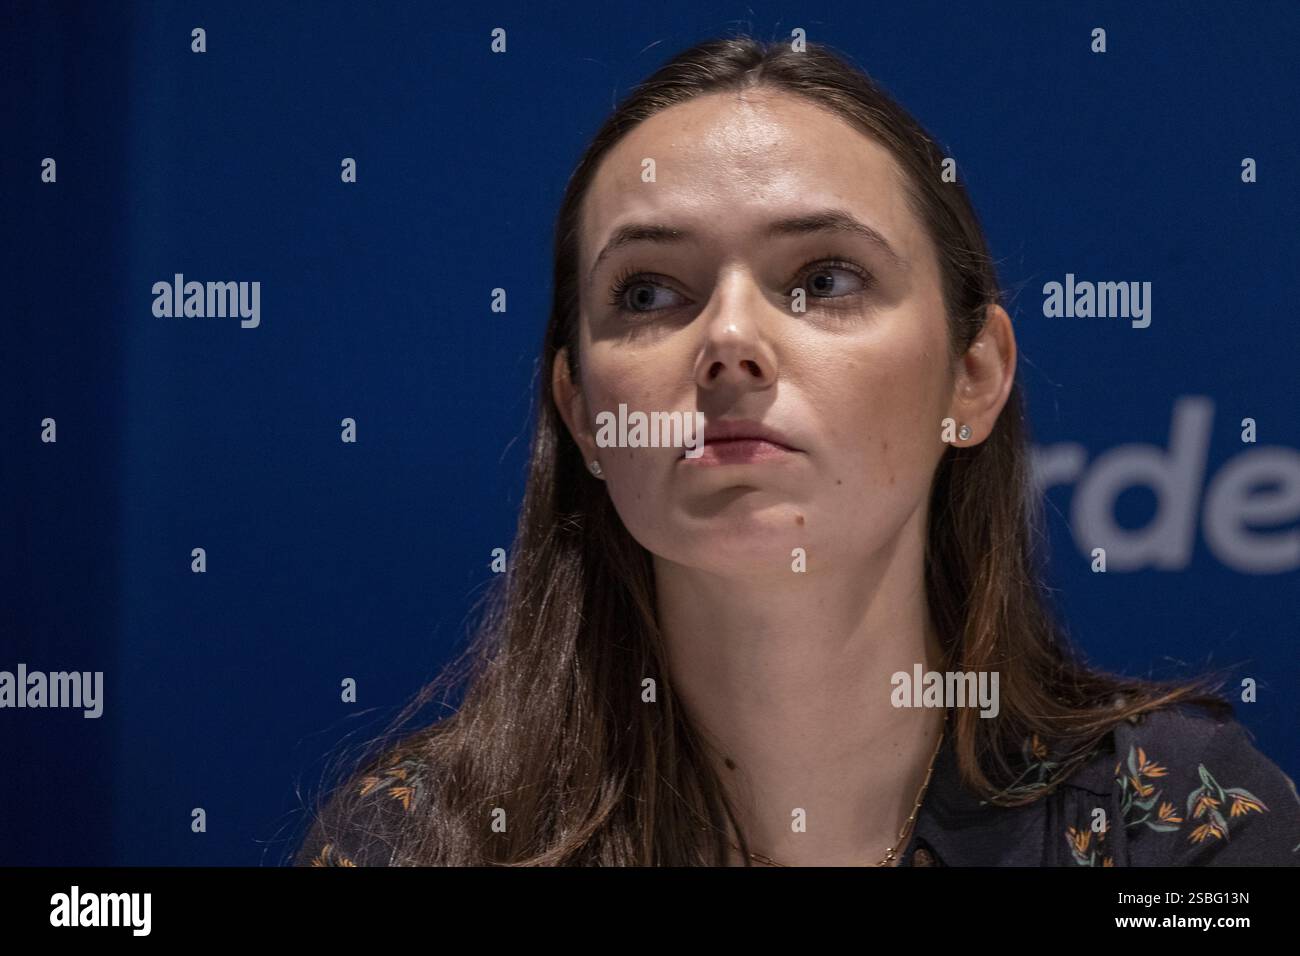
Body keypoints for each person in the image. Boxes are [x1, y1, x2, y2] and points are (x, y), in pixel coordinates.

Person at [293, 34, 1300, 867]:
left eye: (822, 278)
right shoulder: (420, 843)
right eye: (648, 292)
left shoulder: (1169, 823)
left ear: (973, 374)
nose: (729, 339)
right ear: (582, 411)